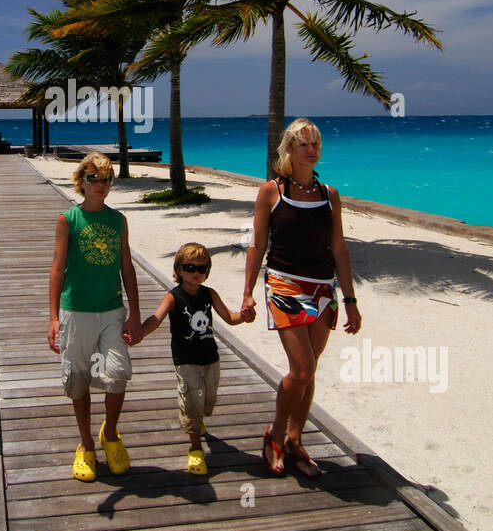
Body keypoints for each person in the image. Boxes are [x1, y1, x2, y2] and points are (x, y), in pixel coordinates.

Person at [240, 118, 361, 478]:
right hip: (286, 285)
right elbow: (258, 243)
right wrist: (247, 292)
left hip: (323, 289)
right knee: (302, 368)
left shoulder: (329, 195)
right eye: (304, 143)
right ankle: (274, 434)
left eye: (316, 143)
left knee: (310, 373)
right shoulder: (271, 192)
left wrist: (351, 300)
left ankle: (294, 441)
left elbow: (339, 248)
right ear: (289, 150)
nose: (312, 149)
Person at [48, 153, 142, 481]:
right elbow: (57, 269)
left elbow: (127, 267)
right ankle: (86, 444)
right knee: (78, 380)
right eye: (94, 179)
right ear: (81, 182)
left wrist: (135, 314)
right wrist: (53, 317)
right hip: (75, 312)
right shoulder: (68, 219)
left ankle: (110, 433)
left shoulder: (118, 220)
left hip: (112, 310)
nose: (100, 186)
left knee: (117, 375)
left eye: (106, 180)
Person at [140, 243, 246, 475]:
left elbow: (229, 317)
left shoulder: (209, 294)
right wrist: (140, 332)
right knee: (190, 402)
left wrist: (244, 316)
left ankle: (199, 420)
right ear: (178, 269)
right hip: (186, 359)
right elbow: (157, 318)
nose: (196, 273)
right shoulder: (173, 296)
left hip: (210, 357)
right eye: (189, 267)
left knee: (209, 400)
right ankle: (195, 448)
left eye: (202, 268)